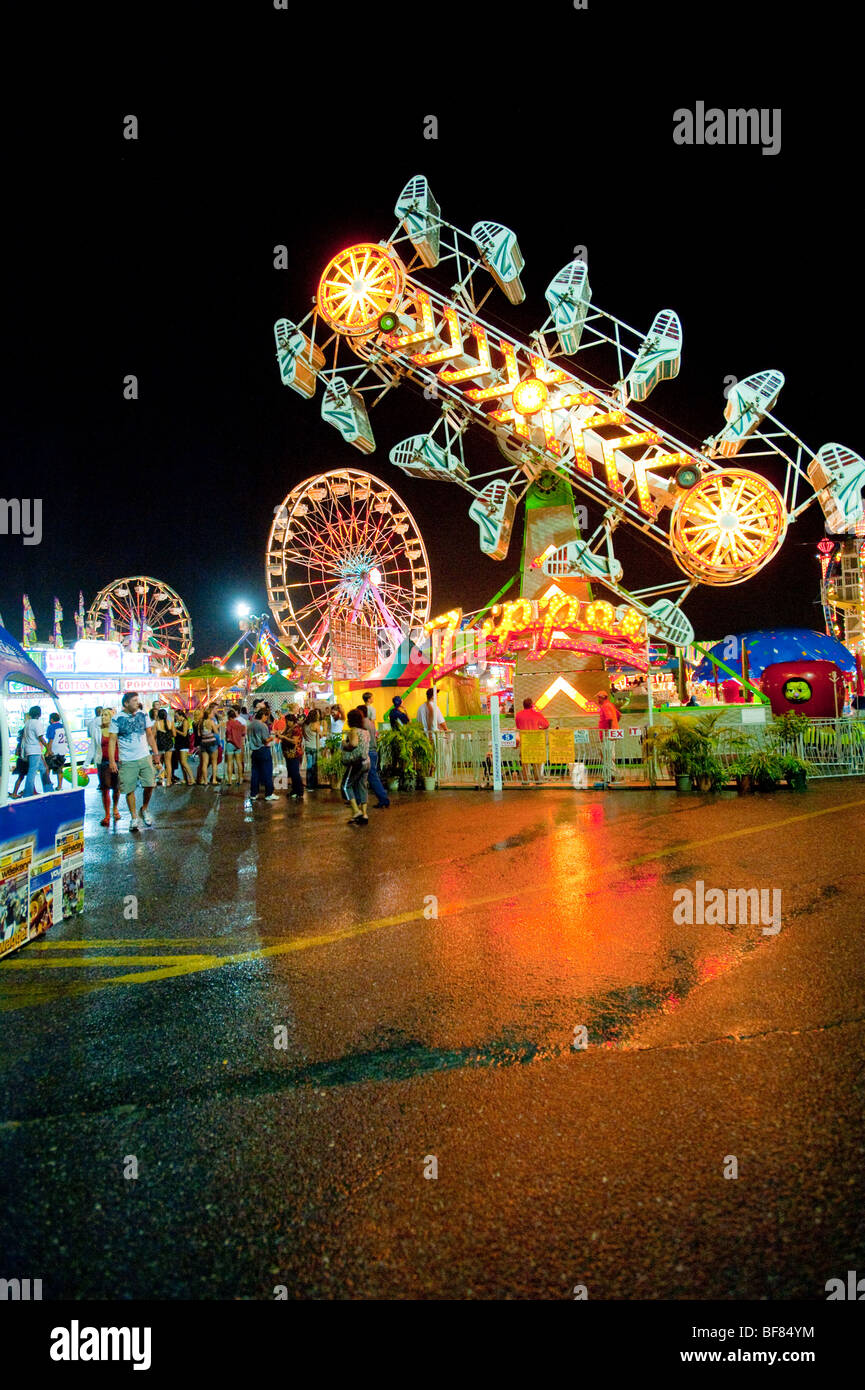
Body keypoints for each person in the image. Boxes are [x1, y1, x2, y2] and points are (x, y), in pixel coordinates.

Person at [108, 691, 159, 831]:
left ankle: (145, 808)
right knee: (129, 789)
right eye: (135, 700)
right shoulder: (116, 719)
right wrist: (112, 761)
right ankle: (134, 817)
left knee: (150, 784)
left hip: (144, 756)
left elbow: (149, 734)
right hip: (127, 760)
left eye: (138, 700)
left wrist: (155, 753)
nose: (137, 702)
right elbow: (112, 740)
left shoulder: (143, 715)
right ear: (126, 703)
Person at [361, 691, 389, 809]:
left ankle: (382, 798)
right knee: (369, 775)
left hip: (368, 750)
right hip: (372, 749)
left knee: (369, 775)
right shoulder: (371, 722)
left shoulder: (363, 723)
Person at [341, 708, 370, 826]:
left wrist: (345, 744)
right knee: (362, 786)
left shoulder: (353, 730)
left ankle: (356, 811)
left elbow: (353, 744)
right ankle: (364, 814)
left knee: (345, 786)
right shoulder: (366, 731)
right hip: (366, 761)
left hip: (356, 762)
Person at [515, 697, 549, 784]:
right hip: (535, 741)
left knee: (525, 762)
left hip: (524, 742)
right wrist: (539, 727)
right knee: (537, 761)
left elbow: (518, 727)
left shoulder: (518, 715)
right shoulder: (537, 714)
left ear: (523, 705)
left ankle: (526, 780)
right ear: (532, 705)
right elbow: (546, 725)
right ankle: (538, 779)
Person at [96, 707, 121, 825]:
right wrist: (85, 765)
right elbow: (93, 747)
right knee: (105, 788)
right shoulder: (97, 730)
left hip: (116, 761)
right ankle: (106, 814)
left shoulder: (116, 730)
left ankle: (115, 808)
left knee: (116, 788)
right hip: (103, 762)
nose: (103, 717)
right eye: (102, 715)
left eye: (106, 715)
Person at [21, 706, 53, 797]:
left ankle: (48, 789)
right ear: (39, 714)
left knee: (43, 769)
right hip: (34, 750)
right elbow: (40, 737)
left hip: (29, 749)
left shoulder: (27, 723)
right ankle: (28, 793)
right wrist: (48, 748)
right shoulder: (37, 723)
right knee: (32, 771)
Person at [247, 707, 278, 801]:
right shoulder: (262, 725)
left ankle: (253, 793)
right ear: (264, 715)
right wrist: (272, 738)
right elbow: (265, 740)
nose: (267, 719)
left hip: (254, 751)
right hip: (263, 750)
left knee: (255, 773)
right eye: (266, 716)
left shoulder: (251, 725)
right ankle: (269, 793)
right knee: (267, 772)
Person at [279, 708, 305, 799]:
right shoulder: (289, 728)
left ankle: (299, 791)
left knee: (295, 773)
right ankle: (294, 790)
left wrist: (284, 737)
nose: (287, 723)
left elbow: (294, 741)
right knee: (291, 773)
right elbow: (283, 734)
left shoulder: (296, 729)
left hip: (294, 754)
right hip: (288, 754)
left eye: (288, 721)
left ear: (292, 721)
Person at [44, 713, 69, 790]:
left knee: (47, 768)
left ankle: (48, 784)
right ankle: (60, 786)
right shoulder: (63, 726)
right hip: (62, 750)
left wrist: (48, 750)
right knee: (60, 769)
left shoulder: (51, 727)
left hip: (54, 750)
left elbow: (51, 739)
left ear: (51, 720)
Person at [224, 707, 246, 786]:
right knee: (239, 763)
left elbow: (228, 731)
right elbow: (243, 733)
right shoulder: (239, 723)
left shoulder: (228, 723)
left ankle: (229, 781)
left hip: (230, 744)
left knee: (230, 763)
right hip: (238, 744)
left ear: (229, 716)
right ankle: (240, 779)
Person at [198, 706, 220, 787]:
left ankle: (205, 781)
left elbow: (199, 734)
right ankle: (214, 780)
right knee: (214, 762)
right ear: (209, 714)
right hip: (212, 743)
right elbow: (216, 732)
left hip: (203, 743)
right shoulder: (211, 722)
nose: (212, 714)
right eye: (211, 713)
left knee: (204, 763)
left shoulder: (201, 722)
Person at [154, 705, 175, 785]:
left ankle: (160, 779)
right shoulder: (171, 723)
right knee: (168, 763)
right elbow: (174, 734)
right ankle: (169, 781)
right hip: (169, 744)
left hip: (160, 745)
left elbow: (153, 735)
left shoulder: (157, 724)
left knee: (159, 763)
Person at [173, 710, 195, 784]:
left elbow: (184, 734)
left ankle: (192, 778)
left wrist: (175, 730)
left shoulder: (185, 722)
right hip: (178, 743)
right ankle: (185, 778)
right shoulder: (177, 723)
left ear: (181, 715)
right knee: (181, 763)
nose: (176, 718)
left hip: (184, 743)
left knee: (184, 762)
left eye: (177, 716)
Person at [302, 710, 321, 789]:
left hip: (307, 747)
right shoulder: (316, 724)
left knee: (309, 766)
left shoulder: (305, 724)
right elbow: (319, 736)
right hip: (314, 747)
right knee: (314, 767)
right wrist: (318, 748)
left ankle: (309, 785)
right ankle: (314, 784)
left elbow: (304, 735)